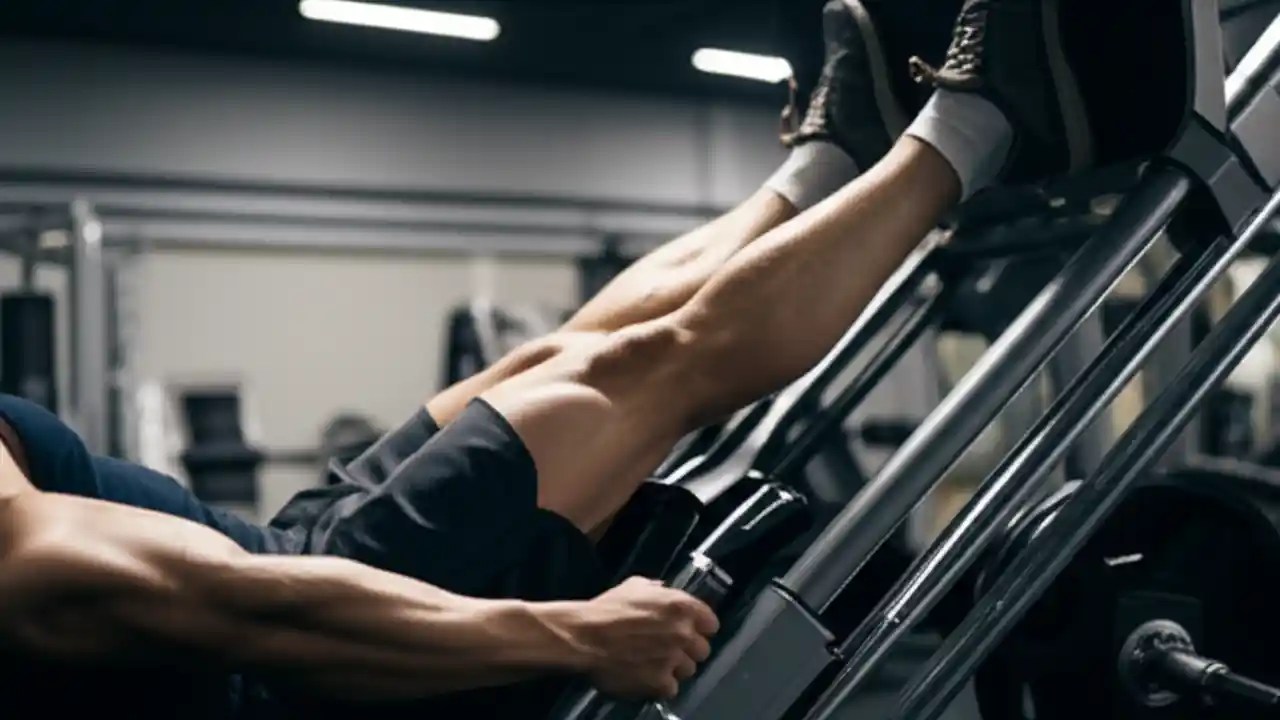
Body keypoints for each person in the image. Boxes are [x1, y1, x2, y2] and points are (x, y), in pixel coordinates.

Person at [0, 0, 1102, 716]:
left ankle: (827, 170)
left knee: (563, 352)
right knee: (655, 367)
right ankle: (983, 127)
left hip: (294, 554)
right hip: (332, 652)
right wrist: (569, 635)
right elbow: (197, 607)